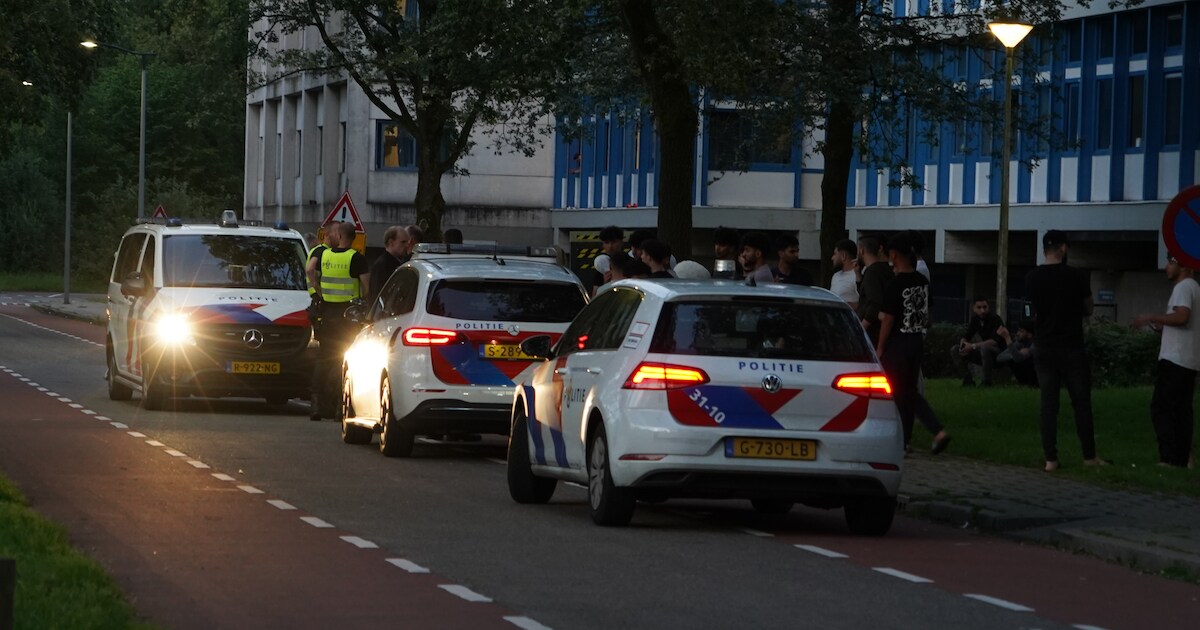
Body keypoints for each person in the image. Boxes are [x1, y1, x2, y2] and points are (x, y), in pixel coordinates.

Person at [1024, 230, 1105, 472]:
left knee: (1048, 404)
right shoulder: (1076, 276)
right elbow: (1088, 307)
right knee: (1081, 402)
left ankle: (1051, 459)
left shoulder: (1032, 277)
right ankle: (1089, 456)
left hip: (1044, 347)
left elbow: (1029, 313)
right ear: (1064, 249)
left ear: (1044, 250)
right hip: (1071, 346)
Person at [876, 232, 950, 455]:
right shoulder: (922, 281)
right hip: (916, 341)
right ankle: (906, 441)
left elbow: (888, 318)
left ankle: (935, 429)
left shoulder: (895, 284)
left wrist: (880, 346)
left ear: (894, 255)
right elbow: (929, 314)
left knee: (901, 392)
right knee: (907, 390)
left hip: (897, 344)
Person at [1132, 253, 1200, 468]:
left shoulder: (1183, 287)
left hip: (1175, 358)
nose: (1166, 267)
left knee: (1161, 407)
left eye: (1170, 262)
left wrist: (1151, 317)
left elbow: (1181, 317)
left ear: (1182, 264)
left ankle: (1168, 457)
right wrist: (1162, 326)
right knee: (1182, 410)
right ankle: (1182, 458)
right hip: (1189, 359)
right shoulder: (1195, 287)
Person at [309, 221, 370, 422]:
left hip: (327, 314)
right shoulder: (357, 258)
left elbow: (311, 270)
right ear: (352, 237)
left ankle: (316, 404)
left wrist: (317, 290)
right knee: (344, 360)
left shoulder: (324, 254)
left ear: (340, 235)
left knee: (323, 359)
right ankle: (339, 407)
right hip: (347, 316)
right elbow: (366, 288)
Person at [951, 296, 1007, 387]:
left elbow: (994, 341)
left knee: (984, 348)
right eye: (979, 307)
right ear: (973, 308)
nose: (982, 311)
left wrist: (972, 346)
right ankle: (968, 380)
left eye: (985, 307)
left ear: (988, 307)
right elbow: (967, 335)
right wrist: (963, 344)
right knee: (955, 349)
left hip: (998, 354)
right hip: (983, 353)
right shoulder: (975, 320)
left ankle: (986, 382)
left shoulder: (995, 319)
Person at [856, 234, 891, 347]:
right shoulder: (887, 270)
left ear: (862, 250)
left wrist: (862, 328)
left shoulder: (872, 272)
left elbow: (874, 301)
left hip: (872, 333)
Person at [366, 225, 412, 304]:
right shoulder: (382, 265)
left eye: (407, 242)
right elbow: (378, 295)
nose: (407, 245)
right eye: (403, 242)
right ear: (391, 242)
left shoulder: (396, 262)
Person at [997, 319, 1038, 387]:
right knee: (1012, 360)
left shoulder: (1035, 344)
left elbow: (1018, 358)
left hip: (1037, 374)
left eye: (1021, 331)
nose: (1018, 333)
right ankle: (1023, 383)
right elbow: (999, 357)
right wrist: (1015, 354)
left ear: (1029, 334)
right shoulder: (1020, 343)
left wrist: (1007, 338)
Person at [592, 225, 625, 291]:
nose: (610, 246)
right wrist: (605, 284)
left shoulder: (630, 262)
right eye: (607, 243)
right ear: (603, 245)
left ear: (621, 242)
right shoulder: (602, 265)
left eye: (614, 242)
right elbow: (595, 296)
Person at [829, 238, 860, 309]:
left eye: (835, 254)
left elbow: (863, 303)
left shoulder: (857, 276)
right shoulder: (835, 276)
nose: (832, 258)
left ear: (843, 256)